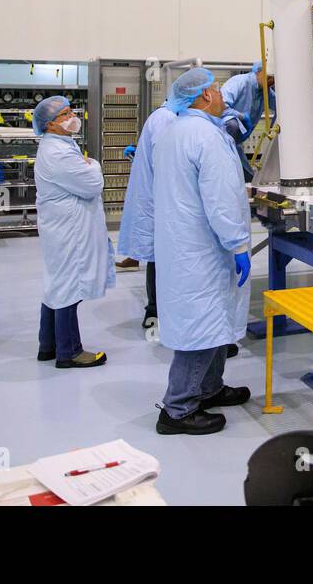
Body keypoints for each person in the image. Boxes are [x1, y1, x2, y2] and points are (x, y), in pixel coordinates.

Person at [153, 67, 253, 435]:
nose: (222, 94)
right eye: (216, 89)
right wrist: (238, 243)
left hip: (186, 244)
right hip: (203, 247)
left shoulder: (176, 131)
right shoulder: (205, 137)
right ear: (205, 96)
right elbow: (222, 200)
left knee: (212, 321)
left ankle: (209, 389)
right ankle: (177, 409)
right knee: (202, 324)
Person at [33, 96, 114, 368]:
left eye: (71, 111)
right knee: (69, 286)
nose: (72, 117)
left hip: (63, 225)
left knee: (57, 283)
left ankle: (49, 344)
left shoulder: (59, 146)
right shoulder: (57, 152)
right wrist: (95, 166)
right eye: (64, 114)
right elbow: (91, 184)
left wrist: (87, 165)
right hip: (70, 229)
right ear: (50, 124)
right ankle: (70, 352)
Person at [117, 100, 177, 328]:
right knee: (159, 259)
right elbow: (166, 160)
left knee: (157, 257)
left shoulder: (164, 116)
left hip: (158, 202)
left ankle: (156, 311)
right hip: (161, 203)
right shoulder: (167, 118)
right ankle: (155, 313)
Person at [221, 63, 274, 180]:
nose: (271, 81)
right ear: (258, 72)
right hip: (223, 136)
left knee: (249, 178)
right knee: (232, 124)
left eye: (274, 79)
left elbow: (282, 106)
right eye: (269, 77)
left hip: (237, 143)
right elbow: (221, 107)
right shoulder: (239, 82)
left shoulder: (265, 91)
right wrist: (240, 116)